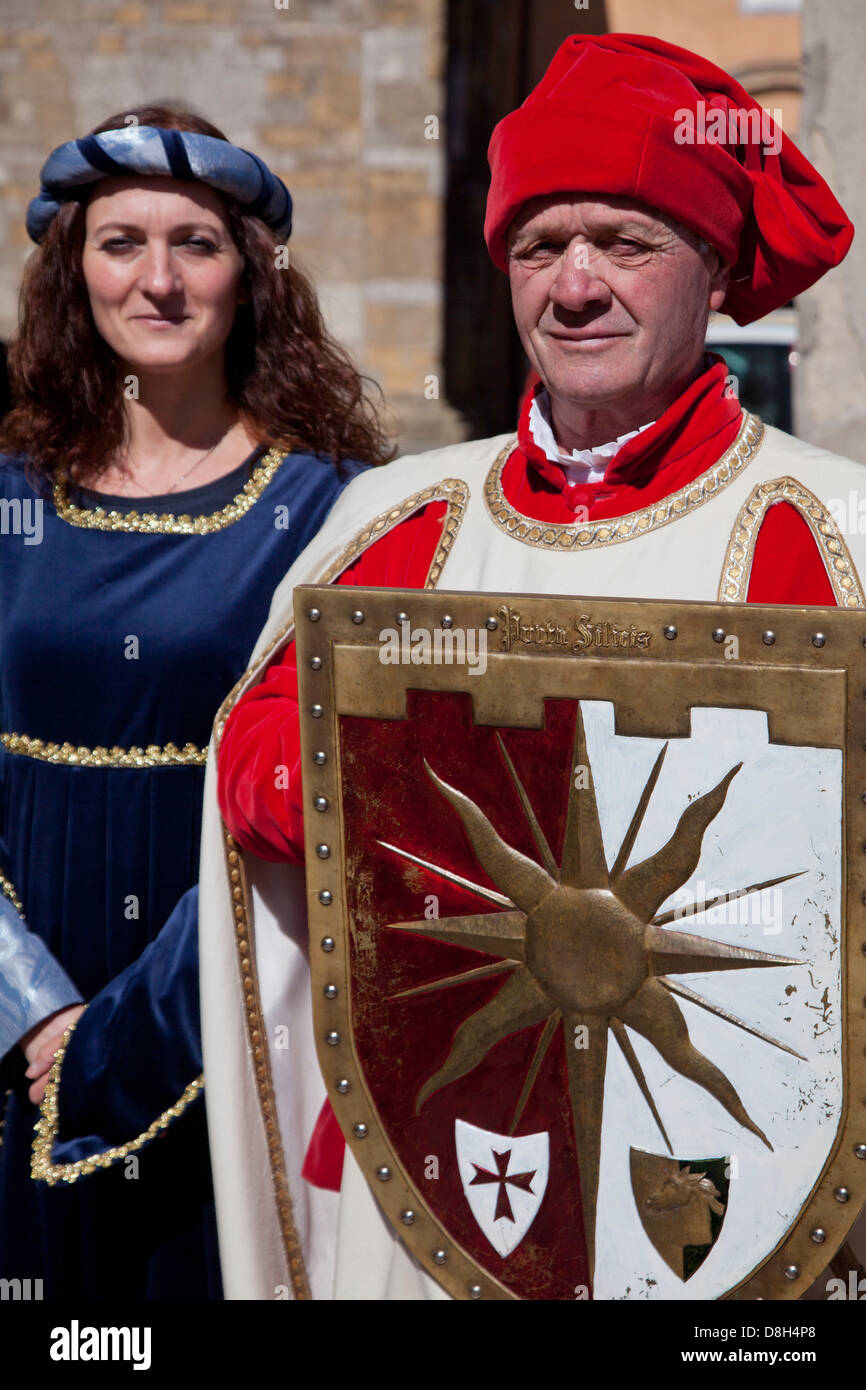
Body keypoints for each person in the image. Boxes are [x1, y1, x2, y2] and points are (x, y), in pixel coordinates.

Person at [205, 34, 862, 1298]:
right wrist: (377, 797)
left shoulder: (826, 531)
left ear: (713, 268)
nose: (573, 285)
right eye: (536, 246)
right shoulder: (400, 519)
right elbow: (257, 750)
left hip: (726, 1174)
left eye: (624, 242)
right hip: (441, 1155)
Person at [0, 104, 390, 1299]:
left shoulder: (338, 509)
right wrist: (29, 1009)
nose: (156, 280)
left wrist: (153, 1018)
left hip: (234, 971)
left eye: (196, 245)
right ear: (74, 270)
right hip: (17, 990)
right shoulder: (8, 496)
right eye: (120, 243)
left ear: (252, 275)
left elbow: (351, 780)